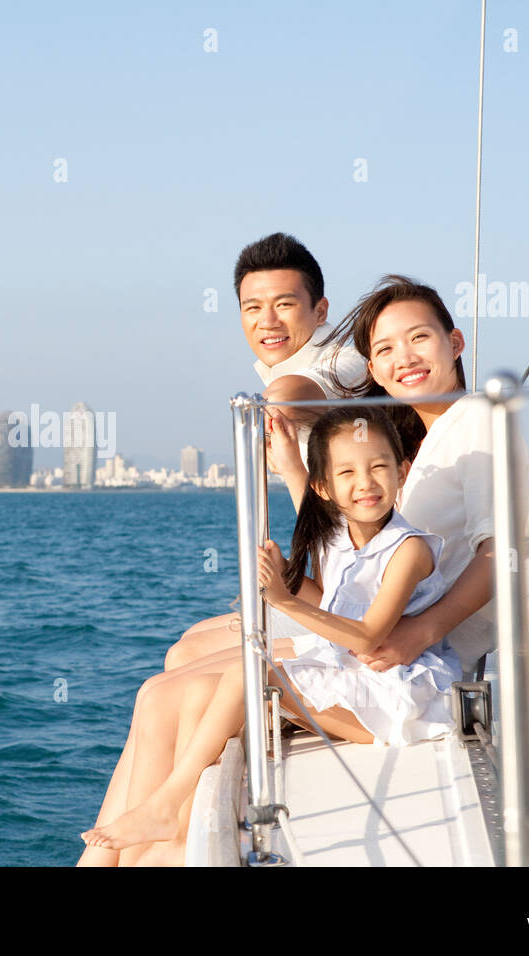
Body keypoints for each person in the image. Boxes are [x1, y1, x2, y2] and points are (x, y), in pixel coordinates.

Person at [77, 274, 500, 866]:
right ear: (372, 370)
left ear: (455, 342)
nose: (404, 357)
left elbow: (497, 553)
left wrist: (418, 632)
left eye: (419, 338)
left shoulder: (478, 422)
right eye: (384, 349)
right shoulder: (423, 439)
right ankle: (115, 851)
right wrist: (294, 476)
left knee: (176, 692)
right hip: (370, 633)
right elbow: (352, 543)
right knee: (166, 683)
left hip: (410, 653)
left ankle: (160, 833)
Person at [80, 406, 458, 852]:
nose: (366, 483)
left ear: (403, 470)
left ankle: (167, 806)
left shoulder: (409, 549)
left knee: (247, 672)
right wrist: (287, 577)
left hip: (395, 699)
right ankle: (105, 854)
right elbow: (334, 594)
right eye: (348, 472)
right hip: (345, 667)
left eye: (379, 467)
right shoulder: (346, 535)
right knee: (156, 690)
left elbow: (367, 636)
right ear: (325, 487)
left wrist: (281, 600)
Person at [162, 232, 365, 673]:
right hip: (340, 584)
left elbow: (289, 395)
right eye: (253, 308)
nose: (267, 321)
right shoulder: (289, 363)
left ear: (321, 310)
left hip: (363, 600)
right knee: (188, 641)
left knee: (185, 658)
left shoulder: (342, 362)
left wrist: (270, 414)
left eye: (284, 304)